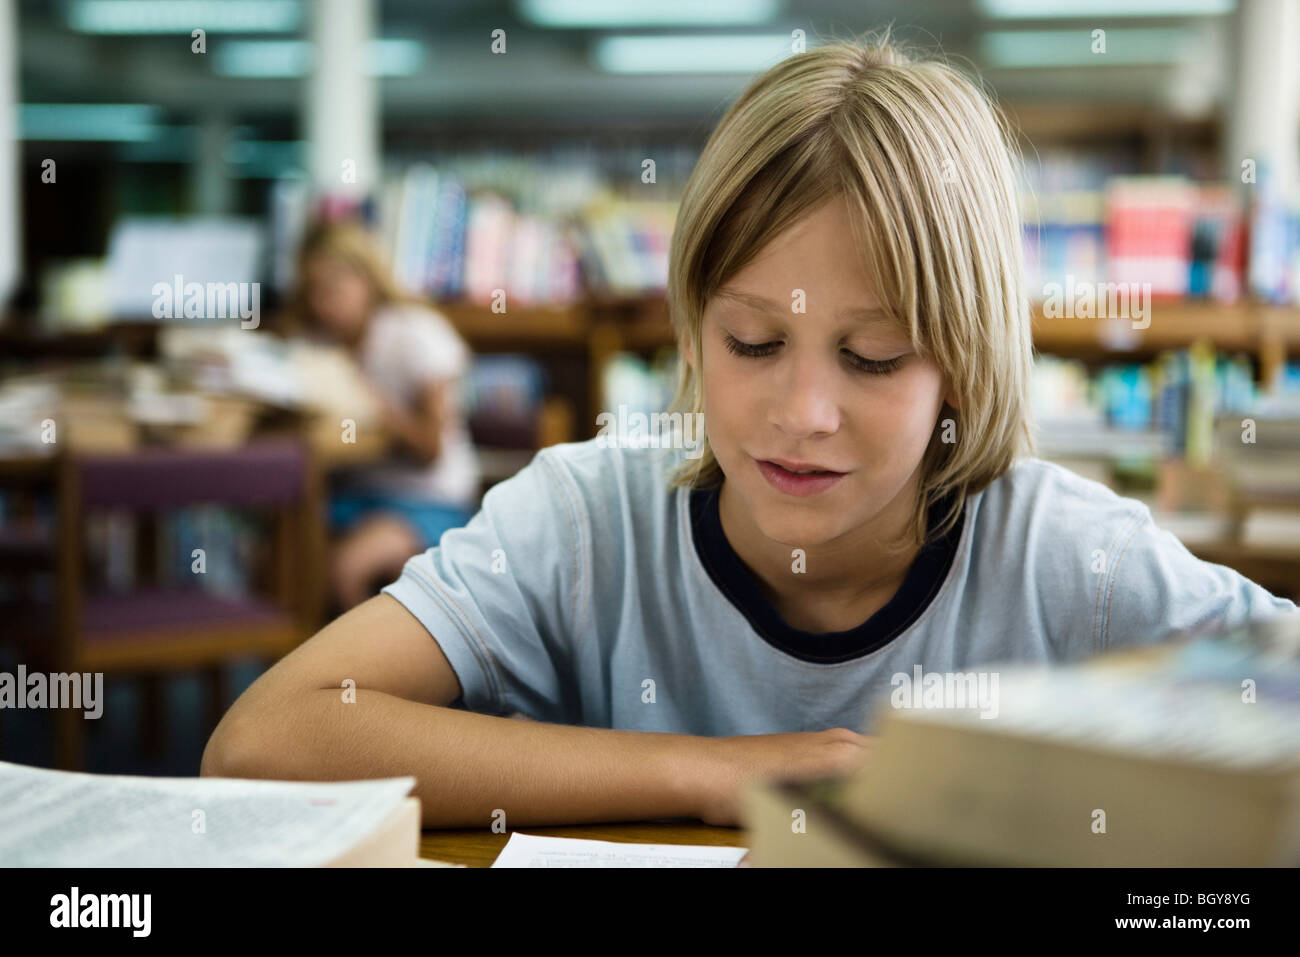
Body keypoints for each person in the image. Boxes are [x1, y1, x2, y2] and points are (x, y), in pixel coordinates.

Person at [204, 34, 1297, 830]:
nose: (799, 414)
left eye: (871, 358)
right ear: (689, 329)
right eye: (750, 342)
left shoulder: (1066, 557)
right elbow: (265, 742)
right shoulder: (586, 520)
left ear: (965, 363)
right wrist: (715, 770)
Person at [290, 220, 480, 610]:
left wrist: (371, 404)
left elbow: (431, 449)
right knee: (283, 557)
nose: (321, 305)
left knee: (343, 570)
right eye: (312, 292)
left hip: (426, 498)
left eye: (333, 289)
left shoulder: (415, 334)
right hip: (353, 493)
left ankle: (366, 672)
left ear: (369, 282)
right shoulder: (319, 343)